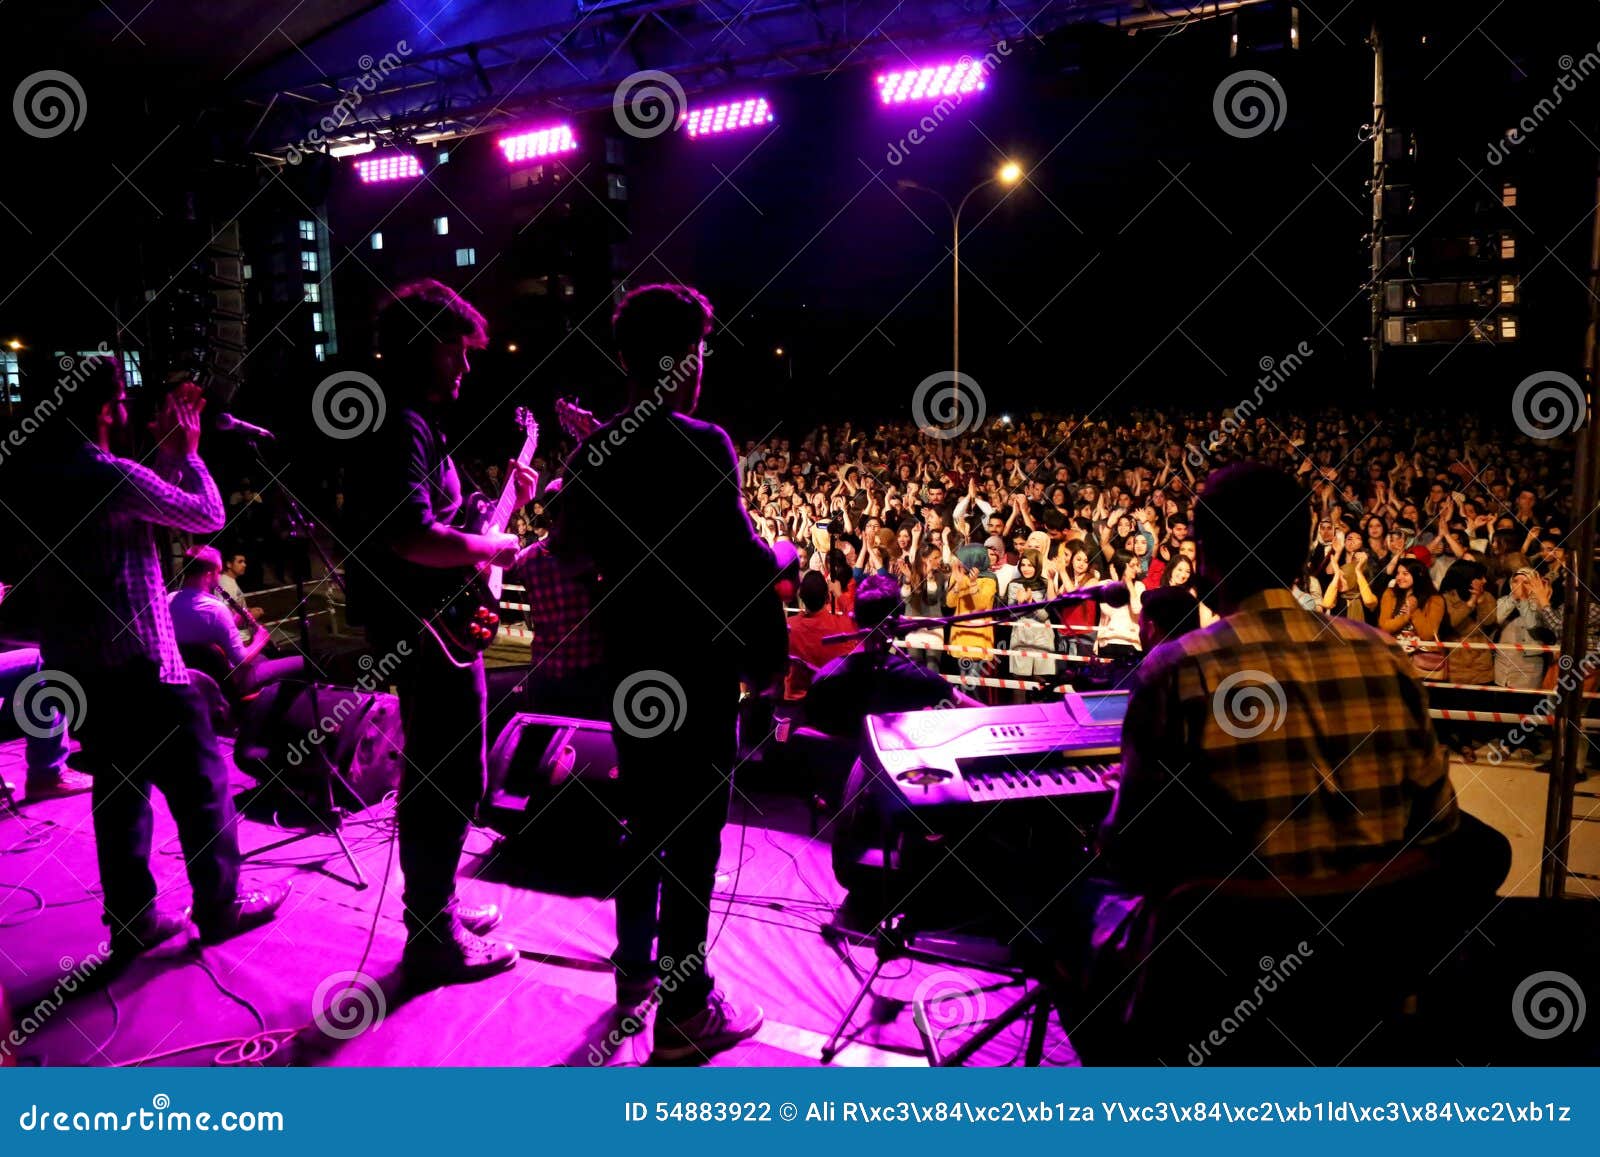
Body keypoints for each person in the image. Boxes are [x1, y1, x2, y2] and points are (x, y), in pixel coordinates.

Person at [1073, 463, 1510, 1038]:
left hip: (1225, 984)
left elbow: (1130, 848)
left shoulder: (1177, 669)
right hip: (1363, 976)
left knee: (1072, 899)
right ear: (1302, 556)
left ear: (1205, 558)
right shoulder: (1384, 656)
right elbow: (1438, 828)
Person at [553, 283, 783, 1062]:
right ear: (686, 359)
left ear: (624, 357)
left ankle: (634, 972)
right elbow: (745, 565)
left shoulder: (594, 453)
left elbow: (568, 554)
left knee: (643, 818)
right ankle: (686, 1010)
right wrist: (771, 657)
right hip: (698, 667)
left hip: (632, 668)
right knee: (694, 841)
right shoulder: (705, 443)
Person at [29, 364, 287, 967]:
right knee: (204, 786)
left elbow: (153, 508)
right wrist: (189, 452)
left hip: (82, 670)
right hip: (140, 667)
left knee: (121, 794)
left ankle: (133, 920)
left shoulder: (48, 479)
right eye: (120, 400)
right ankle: (220, 906)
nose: (127, 411)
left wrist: (167, 458)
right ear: (104, 410)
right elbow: (206, 515)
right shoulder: (107, 473)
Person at [342, 280, 535, 985]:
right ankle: (432, 934)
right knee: (447, 774)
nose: (466, 365)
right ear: (427, 346)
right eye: (458, 350)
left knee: (444, 769)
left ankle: (437, 904)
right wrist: (493, 549)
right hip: (425, 628)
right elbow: (410, 533)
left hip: (429, 624)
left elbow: (441, 513)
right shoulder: (402, 422)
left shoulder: (412, 422)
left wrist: (499, 504)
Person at [804, 574, 981, 738]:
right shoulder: (919, 678)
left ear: (854, 618)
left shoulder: (826, 677)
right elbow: (980, 714)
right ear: (898, 621)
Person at [168, 546, 306, 693]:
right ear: (208, 575)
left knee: (262, 659)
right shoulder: (216, 609)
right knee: (303, 661)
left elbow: (202, 635)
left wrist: (232, 622)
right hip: (233, 682)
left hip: (196, 679)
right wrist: (260, 639)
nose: (219, 577)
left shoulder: (169, 600)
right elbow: (241, 660)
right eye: (218, 572)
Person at [787, 571, 857, 670]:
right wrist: (839, 594)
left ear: (801, 597)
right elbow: (855, 616)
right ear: (828, 597)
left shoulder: (788, 627)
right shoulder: (844, 626)